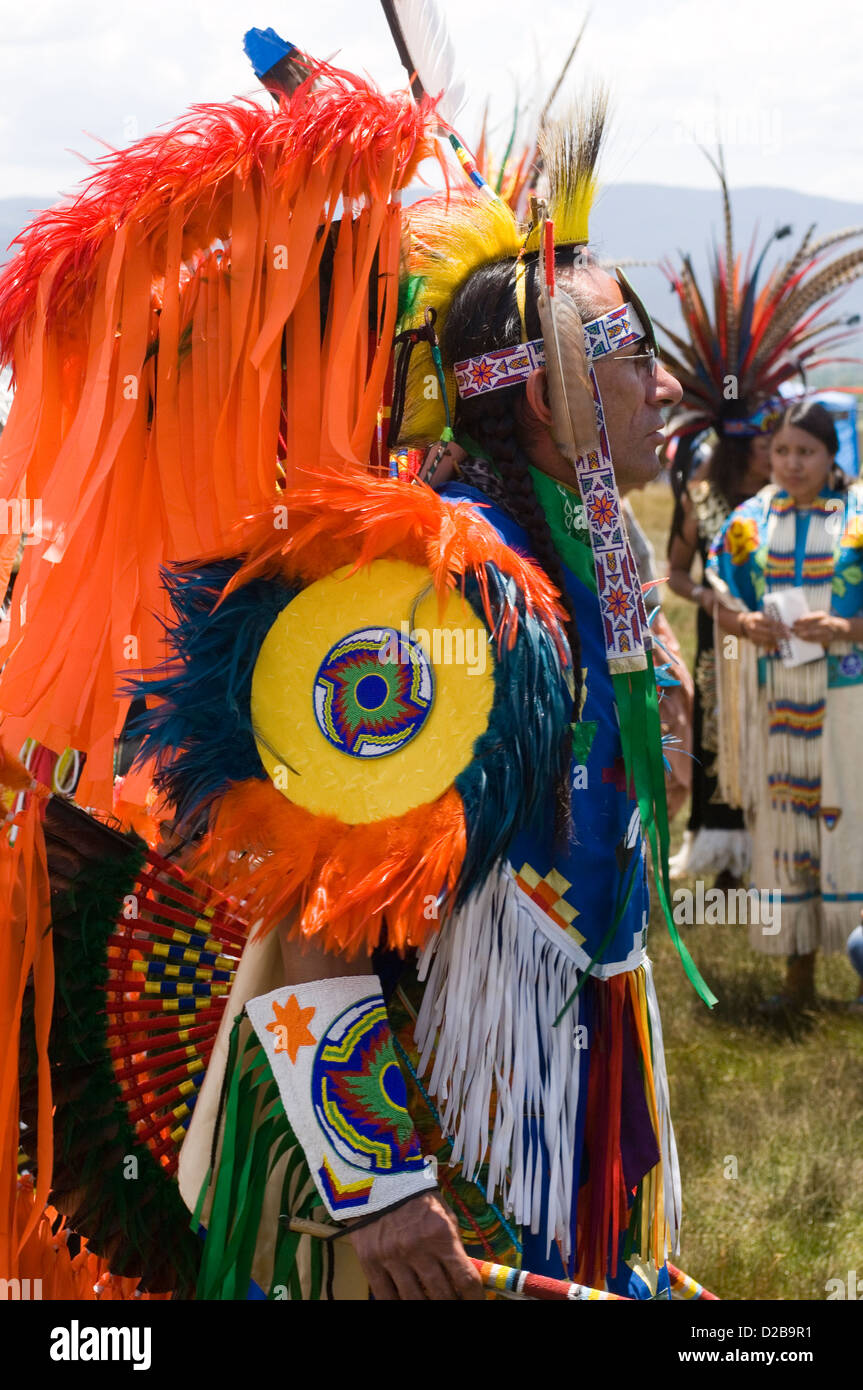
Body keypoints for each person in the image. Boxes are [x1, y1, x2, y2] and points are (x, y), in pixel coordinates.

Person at [708, 401, 863, 1008]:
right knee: (786, 832)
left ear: (832, 457)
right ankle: (797, 980)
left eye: (807, 452)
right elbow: (718, 598)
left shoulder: (858, 518)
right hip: (778, 701)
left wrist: (847, 628)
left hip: (848, 701)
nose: (792, 464)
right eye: (782, 452)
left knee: (851, 826)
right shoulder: (748, 522)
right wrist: (746, 622)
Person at [667, 428, 773, 881]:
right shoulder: (707, 500)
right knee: (720, 737)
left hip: (778, 643)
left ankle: (775, 849)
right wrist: (706, 597)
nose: (776, 451)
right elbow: (675, 572)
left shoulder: (786, 502)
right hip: (722, 645)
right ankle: (725, 854)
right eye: (769, 443)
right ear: (742, 446)